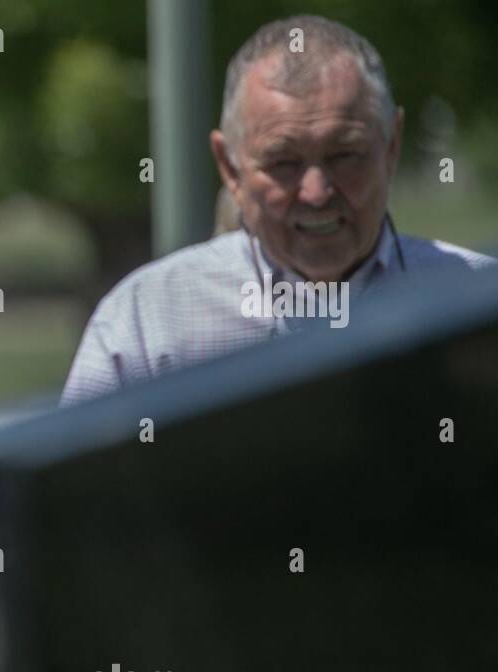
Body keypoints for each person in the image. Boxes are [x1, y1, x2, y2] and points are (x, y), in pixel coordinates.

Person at [62, 14, 494, 406]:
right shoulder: (147, 322)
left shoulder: (477, 304)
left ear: (392, 146)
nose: (316, 191)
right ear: (230, 166)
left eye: (344, 155)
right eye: (283, 163)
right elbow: (73, 488)